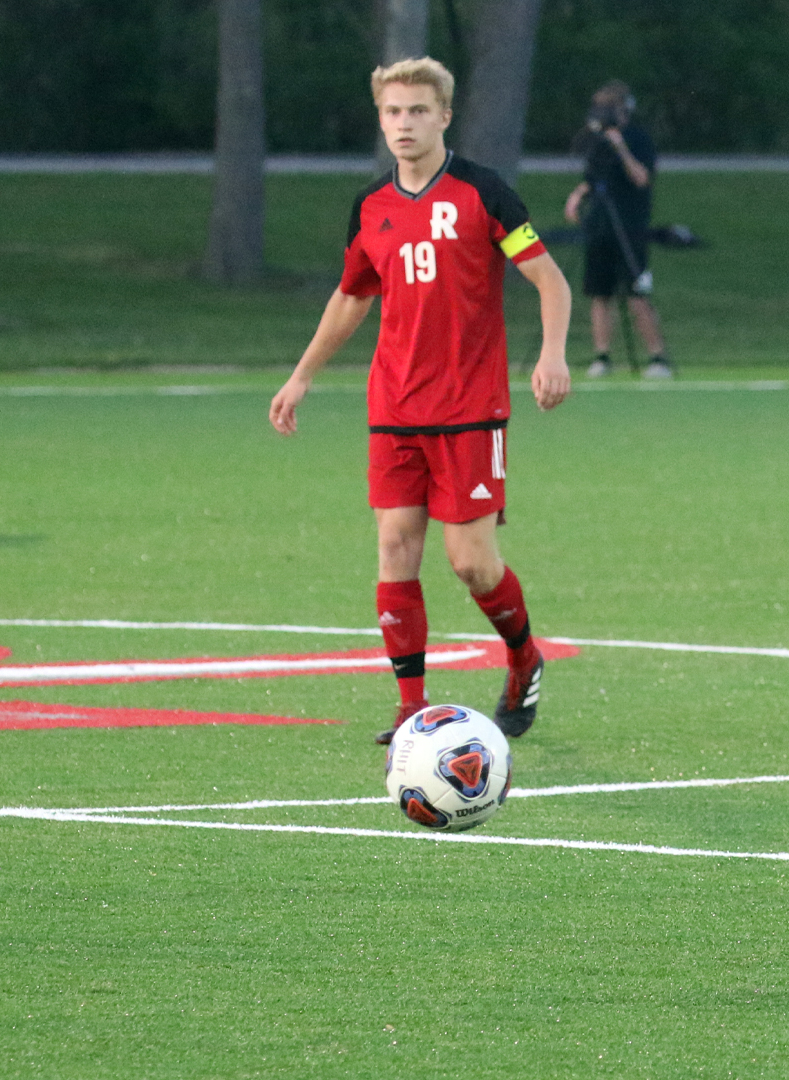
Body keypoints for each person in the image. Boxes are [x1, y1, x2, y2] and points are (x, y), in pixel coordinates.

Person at [269, 58, 573, 741]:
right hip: (395, 406)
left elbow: (551, 282)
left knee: (470, 562)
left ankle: (524, 659)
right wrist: (302, 375)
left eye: (417, 111)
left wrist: (552, 354)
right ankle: (411, 709)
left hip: (470, 407)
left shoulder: (484, 193)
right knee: (395, 548)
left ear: (444, 116)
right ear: (380, 119)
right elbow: (351, 296)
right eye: (392, 112)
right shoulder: (371, 207)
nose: (403, 124)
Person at [564, 81, 673, 380]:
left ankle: (657, 356)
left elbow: (641, 178)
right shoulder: (598, 142)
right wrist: (577, 197)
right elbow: (593, 177)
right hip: (601, 225)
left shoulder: (638, 139)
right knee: (600, 293)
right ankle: (602, 355)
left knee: (637, 292)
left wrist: (621, 147)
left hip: (630, 226)